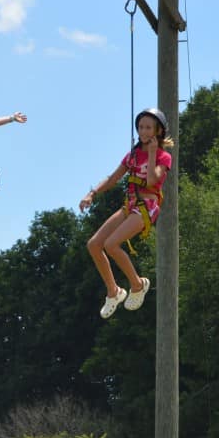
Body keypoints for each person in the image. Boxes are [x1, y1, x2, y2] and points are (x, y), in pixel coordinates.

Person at [79, 108, 174, 318]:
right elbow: (113, 179)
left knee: (111, 244)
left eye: (148, 127)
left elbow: (151, 181)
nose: (144, 131)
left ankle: (138, 285)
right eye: (141, 127)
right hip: (129, 205)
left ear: (158, 130)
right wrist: (92, 193)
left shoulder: (163, 156)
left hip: (146, 207)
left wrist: (151, 154)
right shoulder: (131, 155)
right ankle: (114, 291)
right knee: (94, 245)